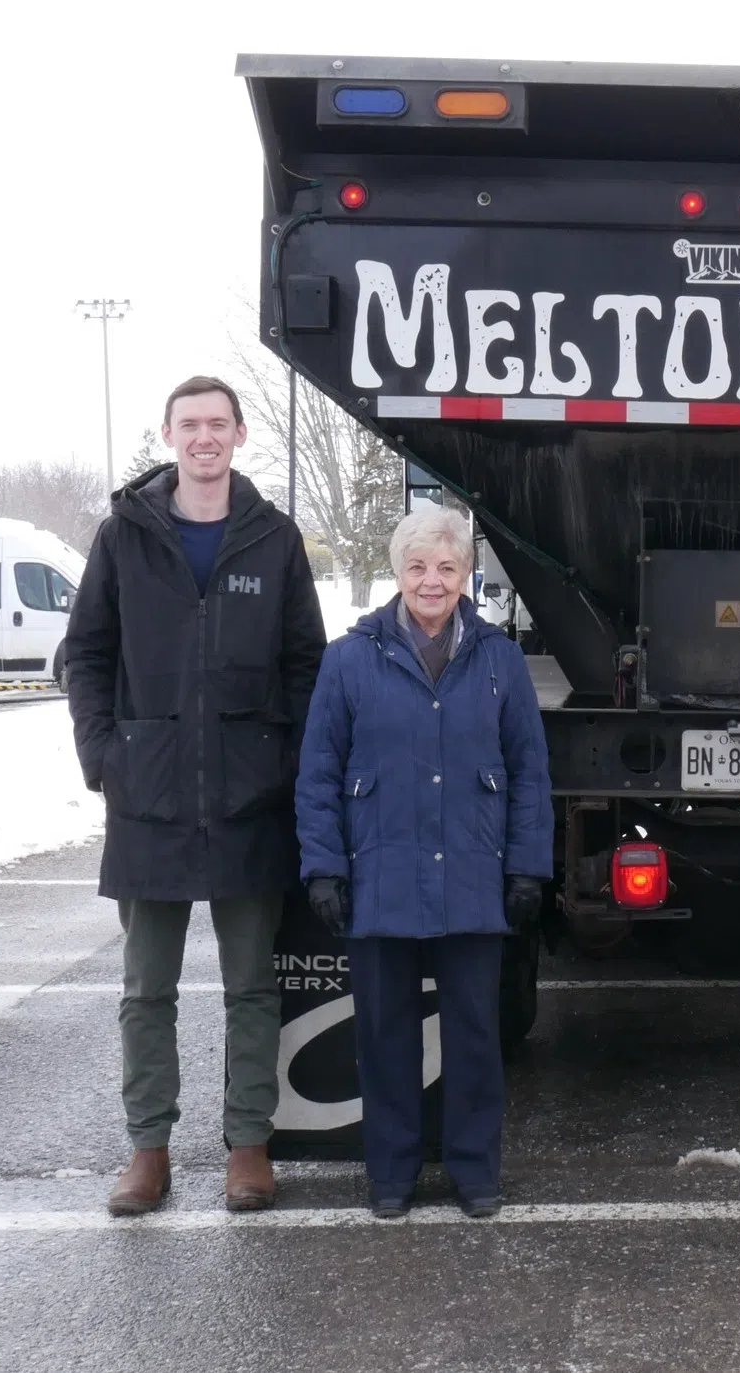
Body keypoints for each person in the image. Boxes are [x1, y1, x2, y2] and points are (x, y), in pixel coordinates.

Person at [65, 375, 326, 1216]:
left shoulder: (273, 539)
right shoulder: (124, 536)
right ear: (169, 435)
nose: (204, 437)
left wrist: (279, 763)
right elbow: (88, 655)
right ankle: (149, 1151)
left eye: (218, 423)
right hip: (149, 799)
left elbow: (305, 665)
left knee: (253, 985)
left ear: (240, 435)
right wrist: (107, 756)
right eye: (190, 425)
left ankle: (248, 1147)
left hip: (251, 802)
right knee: (147, 991)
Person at [295, 507, 552, 1219]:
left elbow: (530, 769)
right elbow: (318, 771)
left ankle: (474, 1169)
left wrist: (528, 866)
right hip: (381, 874)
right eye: (417, 567)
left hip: (473, 873)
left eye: (445, 567)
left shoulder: (498, 658)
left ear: (465, 574)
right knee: (384, 1034)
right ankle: (392, 1172)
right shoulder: (349, 659)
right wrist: (324, 867)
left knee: (475, 1031)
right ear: (398, 573)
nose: (431, 581)